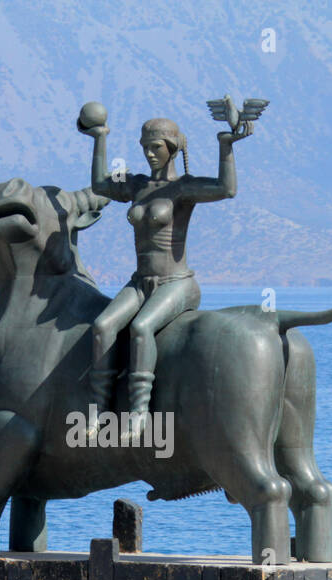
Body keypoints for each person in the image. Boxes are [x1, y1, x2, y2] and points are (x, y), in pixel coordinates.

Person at [79, 109, 253, 441]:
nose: (148, 153)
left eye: (155, 146)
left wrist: (226, 147)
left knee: (142, 328)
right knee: (102, 326)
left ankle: (138, 413)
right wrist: (100, 138)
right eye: (144, 146)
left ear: (172, 147)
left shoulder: (184, 188)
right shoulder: (138, 186)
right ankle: (98, 409)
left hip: (177, 283)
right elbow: (100, 184)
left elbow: (226, 189)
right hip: (140, 282)